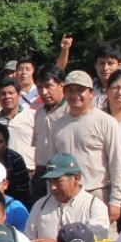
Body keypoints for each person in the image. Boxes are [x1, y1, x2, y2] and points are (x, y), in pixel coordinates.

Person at [50, 70, 121, 223]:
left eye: (80, 90)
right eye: (70, 90)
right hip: (64, 196)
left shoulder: (106, 122)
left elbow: (117, 163)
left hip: (97, 192)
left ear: (91, 93)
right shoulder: (57, 125)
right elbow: (52, 166)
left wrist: (116, 201)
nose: (75, 94)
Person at [26, 153, 111, 242]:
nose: (52, 187)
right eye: (50, 181)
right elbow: (29, 240)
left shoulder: (95, 207)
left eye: (58, 181)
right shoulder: (40, 205)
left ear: (76, 178)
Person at [31, 64, 69, 201]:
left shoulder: (69, 111)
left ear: (61, 85)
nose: (44, 92)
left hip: (62, 173)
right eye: (40, 87)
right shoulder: (39, 112)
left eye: (49, 86)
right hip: (41, 173)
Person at [0, 78, 36, 170]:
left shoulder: (33, 116)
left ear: (19, 95)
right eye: (3, 94)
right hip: (1, 172)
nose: (7, 97)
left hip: (29, 170)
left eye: (11, 93)